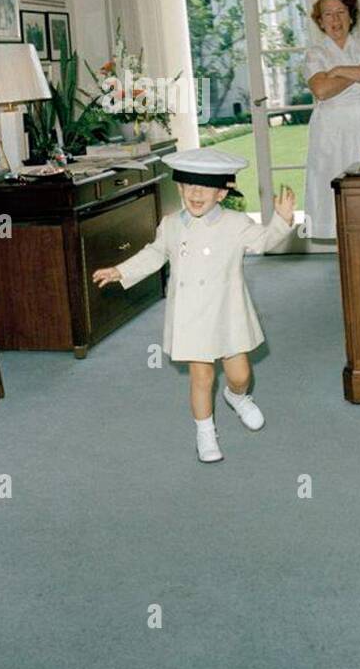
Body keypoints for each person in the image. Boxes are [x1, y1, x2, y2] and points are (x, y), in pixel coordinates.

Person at [92, 148, 295, 464]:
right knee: (201, 378)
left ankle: (237, 397)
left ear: (222, 191)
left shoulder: (235, 223)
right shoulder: (172, 224)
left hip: (228, 314)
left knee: (239, 373)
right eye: (188, 186)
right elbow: (155, 253)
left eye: (204, 186)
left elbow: (264, 241)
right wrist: (122, 270)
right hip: (191, 318)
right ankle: (205, 432)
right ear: (180, 187)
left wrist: (281, 222)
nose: (195, 193)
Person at [302, 0, 360, 238]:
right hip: (330, 130)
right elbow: (322, 90)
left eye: (341, 12)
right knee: (333, 196)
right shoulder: (315, 53)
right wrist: (358, 71)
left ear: (351, 16)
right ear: (320, 21)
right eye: (328, 14)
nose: (335, 20)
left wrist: (339, 70)